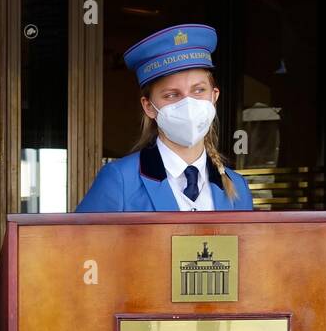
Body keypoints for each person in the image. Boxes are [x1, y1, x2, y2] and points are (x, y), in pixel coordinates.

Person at [77, 23, 252, 212]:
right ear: (148, 107)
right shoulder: (119, 180)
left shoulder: (237, 186)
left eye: (199, 90)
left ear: (214, 97)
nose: (188, 104)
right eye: (171, 95)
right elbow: (81, 242)